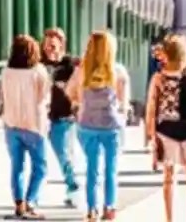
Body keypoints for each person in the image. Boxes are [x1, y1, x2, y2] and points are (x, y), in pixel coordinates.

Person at [145, 35, 186, 222]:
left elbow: (152, 107)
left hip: (166, 130)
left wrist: (151, 135)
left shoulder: (158, 79)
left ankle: (169, 218)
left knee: (168, 177)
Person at [70, 31, 129, 221]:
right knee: (111, 169)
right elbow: (124, 102)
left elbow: (70, 92)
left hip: (87, 124)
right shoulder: (118, 71)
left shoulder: (82, 71)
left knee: (91, 169)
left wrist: (81, 104)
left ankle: (91, 210)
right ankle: (109, 207)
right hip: (111, 125)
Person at [0, 35, 50, 220]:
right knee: (40, 167)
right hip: (34, 125)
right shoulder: (39, 71)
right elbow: (44, 98)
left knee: (17, 167)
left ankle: (19, 204)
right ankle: (31, 202)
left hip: (12, 124)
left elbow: (3, 96)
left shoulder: (6, 72)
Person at [41, 29, 80, 207]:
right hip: (42, 116)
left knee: (63, 153)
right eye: (46, 44)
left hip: (64, 117)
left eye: (53, 45)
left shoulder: (69, 65)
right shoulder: (40, 64)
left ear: (61, 45)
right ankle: (33, 194)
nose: (49, 48)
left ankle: (73, 186)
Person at [146, 44, 168, 173]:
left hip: (163, 105)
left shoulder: (163, 67)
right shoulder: (156, 69)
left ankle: (159, 159)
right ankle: (155, 160)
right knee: (156, 136)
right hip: (158, 105)